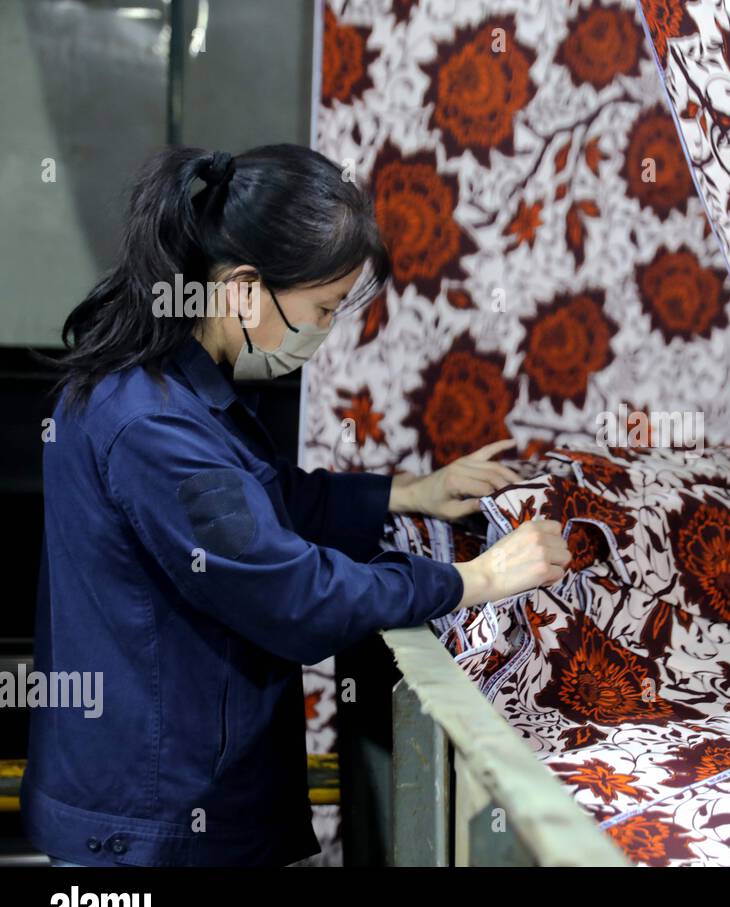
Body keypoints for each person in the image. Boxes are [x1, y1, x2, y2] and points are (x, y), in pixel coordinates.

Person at [22, 145, 570, 866]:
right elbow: (291, 592)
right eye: (322, 308)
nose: (325, 329)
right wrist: (479, 580)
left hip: (169, 791)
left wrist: (410, 493)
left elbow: (262, 503)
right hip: (155, 818)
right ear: (245, 289)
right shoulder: (154, 427)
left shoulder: (177, 388)